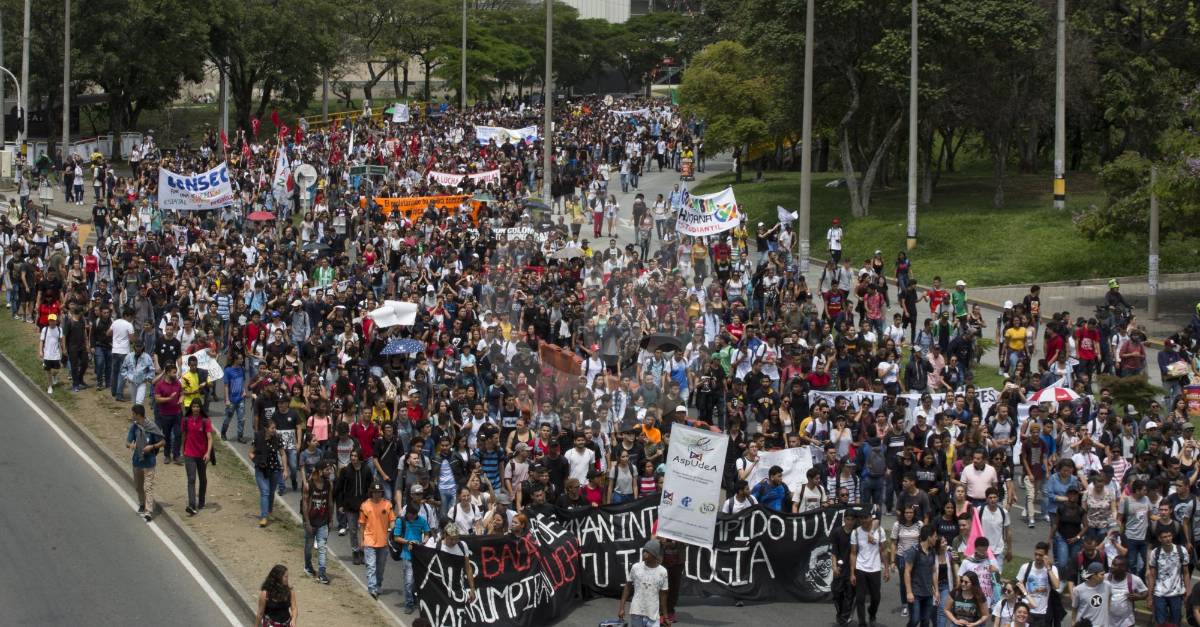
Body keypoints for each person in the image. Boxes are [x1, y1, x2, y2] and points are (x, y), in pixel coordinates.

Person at [618, 539, 670, 627]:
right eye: (644, 551)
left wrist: (665, 616)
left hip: (653, 614)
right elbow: (627, 587)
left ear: (654, 555)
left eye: (647, 552)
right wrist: (622, 607)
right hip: (636, 612)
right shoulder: (636, 567)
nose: (644, 554)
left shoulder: (662, 572)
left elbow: (663, 595)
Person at [125, 404, 163, 522]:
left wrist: (151, 447)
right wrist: (130, 445)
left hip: (149, 462)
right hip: (137, 461)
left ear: (138, 414)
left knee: (148, 487)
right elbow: (127, 441)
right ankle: (142, 504)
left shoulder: (151, 427)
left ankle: (148, 511)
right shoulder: (134, 427)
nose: (132, 416)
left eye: (133, 414)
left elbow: (162, 441)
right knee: (138, 486)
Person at [850, 513, 889, 627]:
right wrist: (852, 573)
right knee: (860, 598)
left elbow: (883, 550)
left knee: (876, 597)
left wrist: (886, 569)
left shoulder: (879, 531)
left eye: (865, 518)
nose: (863, 520)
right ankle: (862, 623)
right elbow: (853, 553)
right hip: (860, 567)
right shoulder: (856, 532)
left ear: (871, 518)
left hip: (875, 568)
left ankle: (872, 613)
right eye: (861, 518)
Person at [359, 482, 396, 600]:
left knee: (380, 567)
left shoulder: (387, 505)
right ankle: (372, 588)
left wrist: (391, 532)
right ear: (371, 492)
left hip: (383, 541)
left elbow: (392, 520)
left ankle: (378, 584)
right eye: (374, 492)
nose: (377, 494)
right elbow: (362, 524)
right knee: (371, 566)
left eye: (379, 492)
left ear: (382, 493)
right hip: (369, 540)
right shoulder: (365, 505)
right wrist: (362, 540)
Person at [1146, 526, 1190, 626]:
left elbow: (1186, 573)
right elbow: (1152, 576)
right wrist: (1149, 596)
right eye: (1165, 537)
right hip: (1159, 593)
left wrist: (1188, 593)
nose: (1168, 538)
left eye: (1169, 536)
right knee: (1160, 623)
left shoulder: (1181, 551)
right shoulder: (1155, 553)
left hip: (1176, 593)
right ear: (1159, 539)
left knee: (1176, 623)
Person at [393, 501, 431, 613]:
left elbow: (427, 533)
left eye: (414, 514)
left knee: (417, 581)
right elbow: (396, 537)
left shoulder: (422, 520)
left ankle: (414, 598)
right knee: (408, 582)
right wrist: (408, 542)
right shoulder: (401, 521)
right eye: (410, 513)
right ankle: (409, 603)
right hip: (407, 555)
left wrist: (423, 542)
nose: (412, 516)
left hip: (419, 556)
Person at [301, 462, 335, 584]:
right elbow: (305, 504)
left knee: (322, 546)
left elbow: (330, 503)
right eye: (327, 469)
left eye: (330, 469)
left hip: (323, 522)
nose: (329, 471)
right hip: (310, 521)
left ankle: (321, 572)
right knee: (309, 547)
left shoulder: (328, 485)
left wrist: (331, 519)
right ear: (320, 471)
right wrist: (307, 522)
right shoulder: (308, 486)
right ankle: (308, 566)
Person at [250, 421, 287, 528]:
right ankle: (264, 517)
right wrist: (257, 461)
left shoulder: (277, 439)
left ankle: (269, 511)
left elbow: (283, 454)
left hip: (274, 469)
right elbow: (251, 453)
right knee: (265, 492)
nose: (274, 430)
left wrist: (285, 470)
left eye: (275, 428)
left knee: (271, 493)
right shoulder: (258, 438)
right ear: (266, 428)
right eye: (272, 428)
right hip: (261, 470)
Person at [181, 398, 214, 515]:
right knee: (191, 479)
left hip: (202, 455)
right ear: (191, 408)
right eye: (194, 406)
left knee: (203, 479)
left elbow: (210, 438)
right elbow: (184, 435)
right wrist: (183, 450)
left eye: (198, 406)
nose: (195, 409)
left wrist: (208, 453)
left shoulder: (205, 421)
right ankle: (191, 505)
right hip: (189, 454)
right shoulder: (185, 420)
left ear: (201, 408)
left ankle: (201, 501)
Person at [1016, 542, 1060, 627]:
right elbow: (1017, 587)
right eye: (1036, 554)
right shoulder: (1025, 567)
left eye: (1040, 555)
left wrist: (1048, 568)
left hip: (1043, 614)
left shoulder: (1052, 569)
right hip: (1027, 612)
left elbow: (1057, 586)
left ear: (1046, 556)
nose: (1037, 557)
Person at [904, 525, 939, 627]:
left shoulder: (932, 551)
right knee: (915, 620)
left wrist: (936, 590)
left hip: (928, 593)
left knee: (925, 621)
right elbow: (907, 572)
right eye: (935, 536)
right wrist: (909, 592)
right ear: (929, 537)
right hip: (916, 593)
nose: (936, 539)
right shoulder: (914, 551)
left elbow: (933, 571)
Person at [831, 506, 861, 626]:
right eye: (847, 519)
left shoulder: (858, 533)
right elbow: (834, 552)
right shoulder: (837, 532)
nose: (849, 521)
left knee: (849, 596)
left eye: (852, 519)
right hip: (840, 569)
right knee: (837, 594)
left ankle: (844, 619)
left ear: (855, 520)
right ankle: (841, 614)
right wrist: (834, 566)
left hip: (852, 569)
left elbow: (875, 521)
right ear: (844, 519)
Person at [1106, 556, 1147, 627]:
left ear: (1123, 568)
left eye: (1115, 565)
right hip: (1108, 621)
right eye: (1112, 564)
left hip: (1127, 622)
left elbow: (1145, 592)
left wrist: (1139, 597)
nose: (1111, 566)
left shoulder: (1134, 579)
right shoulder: (1105, 578)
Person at [39, 312, 63, 393]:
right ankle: (50, 386)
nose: (52, 322)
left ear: (56, 321)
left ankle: (54, 376)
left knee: (57, 369)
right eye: (50, 320)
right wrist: (40, 351)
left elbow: (60, 342)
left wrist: (62, 352)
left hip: (56, 354)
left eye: (53, 320)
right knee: (48, 371)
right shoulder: (45, 330)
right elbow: (41, 341)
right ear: (48, 321)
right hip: (47, 355)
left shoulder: (59, 330)